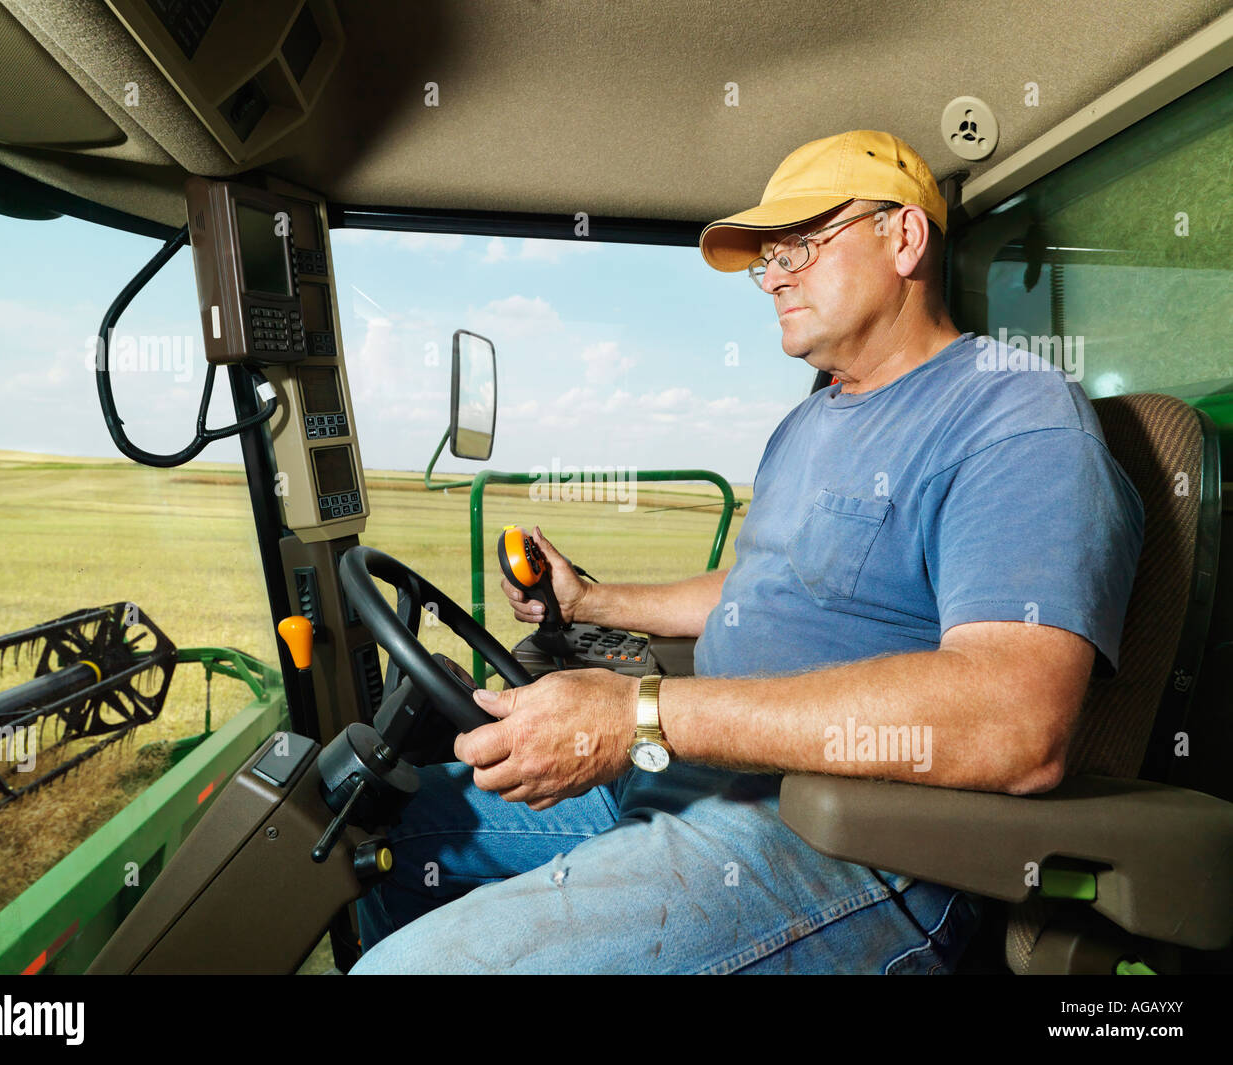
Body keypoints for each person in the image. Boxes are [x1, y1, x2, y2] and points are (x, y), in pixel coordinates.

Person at [349, 130, 1144, 974]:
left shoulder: (1011, 415)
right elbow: (760, 588)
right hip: (686, 775)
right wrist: (589, 601)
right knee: (371, 824)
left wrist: (637, 715)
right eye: (766, 258)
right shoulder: (807, 424)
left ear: (903, 238)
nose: (773, 277)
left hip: (848, 837)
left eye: (800, 244)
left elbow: (1014, 719)